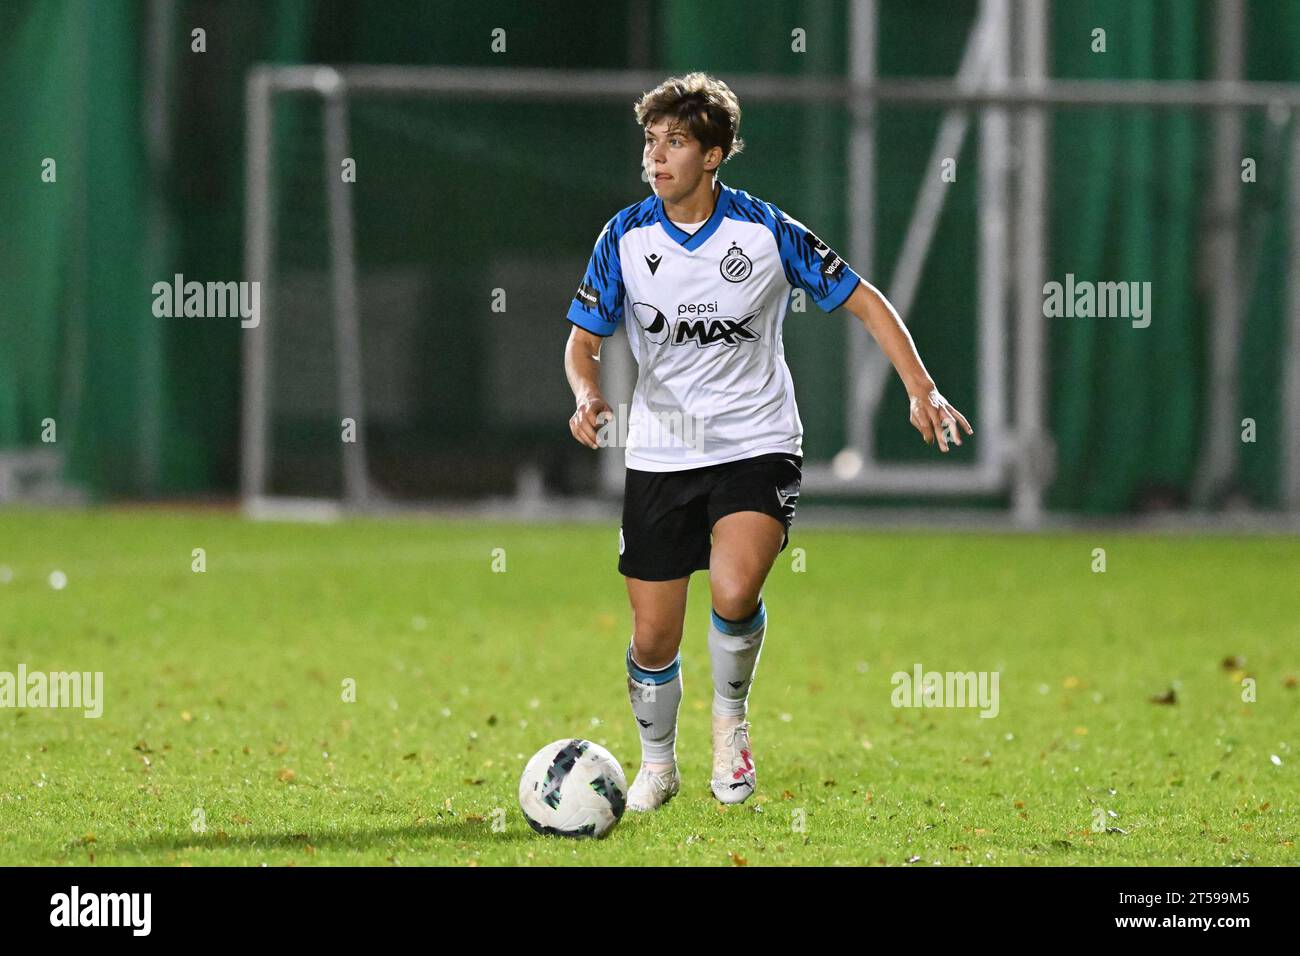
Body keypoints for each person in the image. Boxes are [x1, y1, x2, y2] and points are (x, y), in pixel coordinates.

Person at [562, 72, 973, 811]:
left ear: (713, 155)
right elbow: (582, 340)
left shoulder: (764, 232)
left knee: (734, 585)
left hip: (757, 439)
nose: (656, 158)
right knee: (654, 638)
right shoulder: (624, 237)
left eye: (675, 143)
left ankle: (731, 724)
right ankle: (658, 764)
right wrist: (588, 393)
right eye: (650, 142)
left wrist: (922, 386)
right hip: (661, 450)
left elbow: (865, 300)